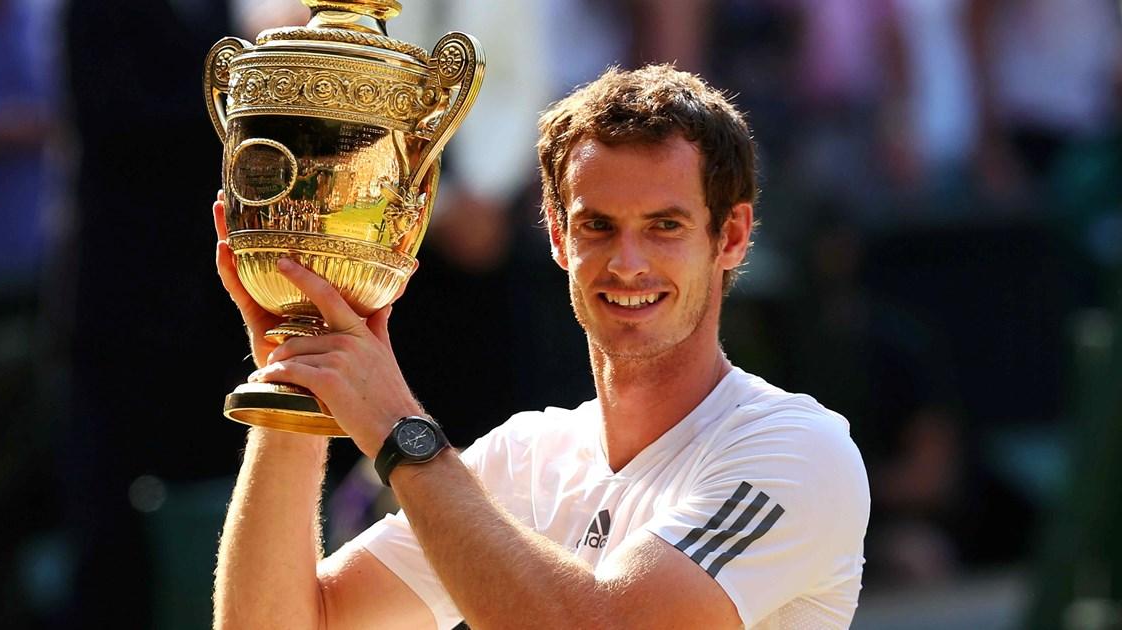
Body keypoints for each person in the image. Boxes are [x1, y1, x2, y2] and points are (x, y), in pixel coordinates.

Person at [212, 64, 870, 629]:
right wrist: (296, 369)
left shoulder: (799, 450)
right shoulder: (523, 459)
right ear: (557, 236)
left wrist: (398, 430)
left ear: (730, 238)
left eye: (665, 226)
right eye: (598, 227)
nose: (628, 262)